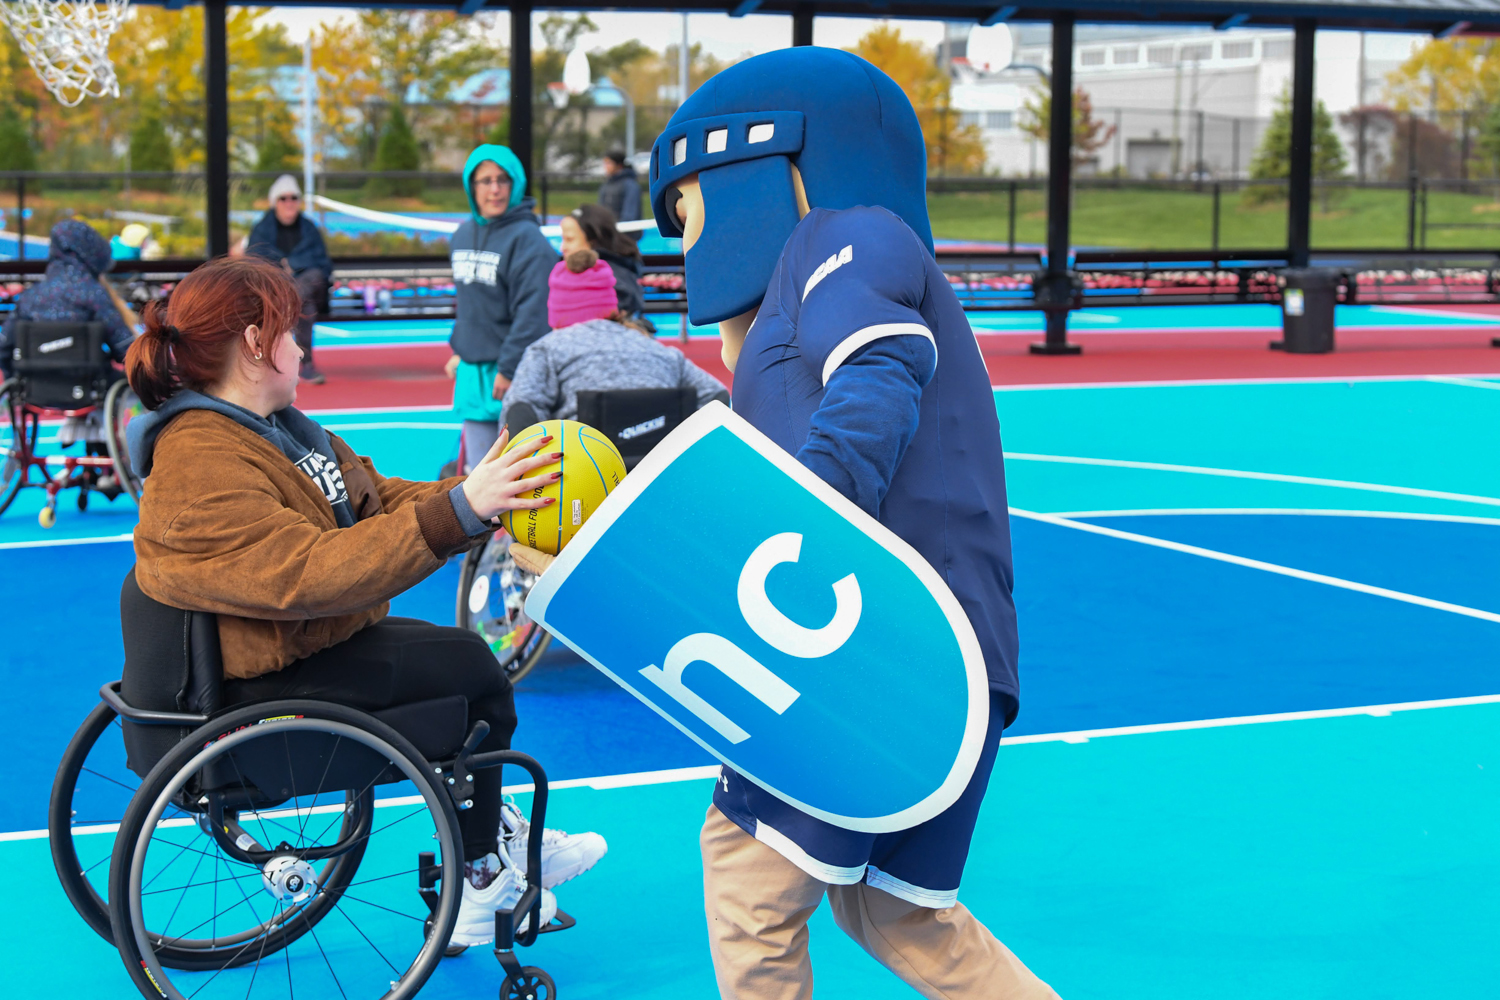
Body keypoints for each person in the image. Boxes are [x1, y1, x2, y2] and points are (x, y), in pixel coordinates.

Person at [647, 49, 1060, 999]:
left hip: (862, 640)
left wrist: (806, 526)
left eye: (687, 207)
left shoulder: (847, 237)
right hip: (949, 649)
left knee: (747, 881)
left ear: (762, 164)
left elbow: (878, 371)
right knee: (893, 911)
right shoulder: (830, 280)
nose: (685, 239)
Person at [123, 255, 606, 950]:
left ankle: (488, 832)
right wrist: (460, 513)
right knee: (473, 673)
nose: (302, 347)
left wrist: (485, 495)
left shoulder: (274, 428)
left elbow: (373, 497)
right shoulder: (201, 461)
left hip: (300, 646)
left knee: (464, 659)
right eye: (291, 332)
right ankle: (480, 873)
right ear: (255, 344)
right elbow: (306, 572)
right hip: (259, 686)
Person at [501, 248, 725, 430]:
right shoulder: (659, 350)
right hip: (660, 465)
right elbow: (717, 396)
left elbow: (519, 413)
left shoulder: (547, 350)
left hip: (582, 467)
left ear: (558, 313)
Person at [0, 220, 139, 496]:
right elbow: (126, 348)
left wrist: (16, 378)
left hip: (35, 391)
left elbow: (4, 346)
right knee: (138, 385)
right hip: (92, 389)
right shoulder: (94, 294)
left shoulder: (30, 298)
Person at [446, 144, 558, 473]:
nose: (494, 189)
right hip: (473, 370)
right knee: (478, 473)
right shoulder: (461, 235)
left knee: (517, 473)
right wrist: (460, 349)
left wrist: (509, 367)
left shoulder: (529, 240)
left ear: (515, 184)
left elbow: (534, 311)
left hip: (513, 370)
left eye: (502, 180)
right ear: (472, 186)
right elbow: (470, 302)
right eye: (485, 181)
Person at [242, 174, 333, 385]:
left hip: (301, 291)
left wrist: (290, 264)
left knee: (310, 282)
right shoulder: (262, 230)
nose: (289, 202)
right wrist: (284, 271)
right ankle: (306, 364)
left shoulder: (309, 229)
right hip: (277, 291)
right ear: (275, 202)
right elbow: (254, 263)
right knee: (304, 304)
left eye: (294, 198)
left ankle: (291, 301)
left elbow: (323, 265)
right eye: (283, 198)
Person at [560, 203, 647, 322]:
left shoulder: (609, 281)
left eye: (570, 239)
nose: (562, 247)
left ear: (593, 240)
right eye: (563, 239)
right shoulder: (618, 268)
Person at [597, 149, 642, 227]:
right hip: (609, 231)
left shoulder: (630, 185)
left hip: (625, 231)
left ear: (619, 165)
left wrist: (618, 229)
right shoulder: (605, 186)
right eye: (605, 163)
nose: (605, 167)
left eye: (609, 163)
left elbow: (630, 215)